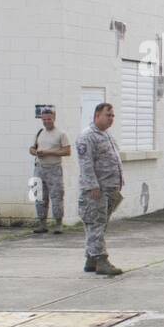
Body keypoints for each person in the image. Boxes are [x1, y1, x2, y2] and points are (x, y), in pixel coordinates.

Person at [76, 103, 125, 276]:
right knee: (96, 225)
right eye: (108, 115)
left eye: (113, 115)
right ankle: (102, 261)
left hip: (110, 190)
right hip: (96, 191)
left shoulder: (106, 135)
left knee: (100, 225)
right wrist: (92, 187)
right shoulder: (87, 136)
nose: (111, 118)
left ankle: (91, 259)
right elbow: (86, 164)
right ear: (97, 116)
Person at [29, 106, 70, 234]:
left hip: (54, 169)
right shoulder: (39, 132)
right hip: (39, 169)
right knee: (39, 197)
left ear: (54, 118)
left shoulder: (61, 134)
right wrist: (36, 152)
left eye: (49, 119)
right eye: (44, 119)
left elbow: (67, 151)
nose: (47, 121)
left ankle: (58, 224)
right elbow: (31, 149)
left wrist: (48, 152)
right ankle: (42, 224)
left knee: (57, 196)